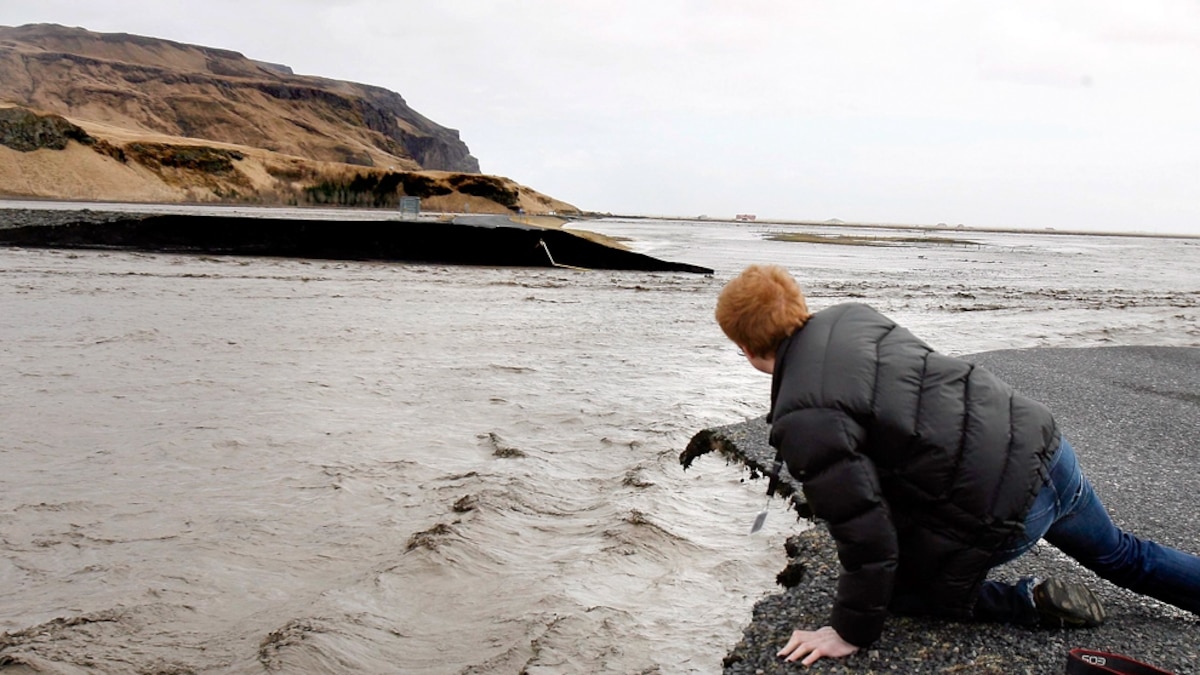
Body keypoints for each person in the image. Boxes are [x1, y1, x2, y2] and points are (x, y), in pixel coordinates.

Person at [714, 264, 1200, 666]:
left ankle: (1026, 600)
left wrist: (848, 631)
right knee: (1123, 554)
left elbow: (866, 535)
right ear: (798, 304)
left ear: (746, 349)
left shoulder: (803, 415)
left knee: (896, 590)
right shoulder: (855, 316)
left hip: (1007, 506)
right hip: (1044, 447)